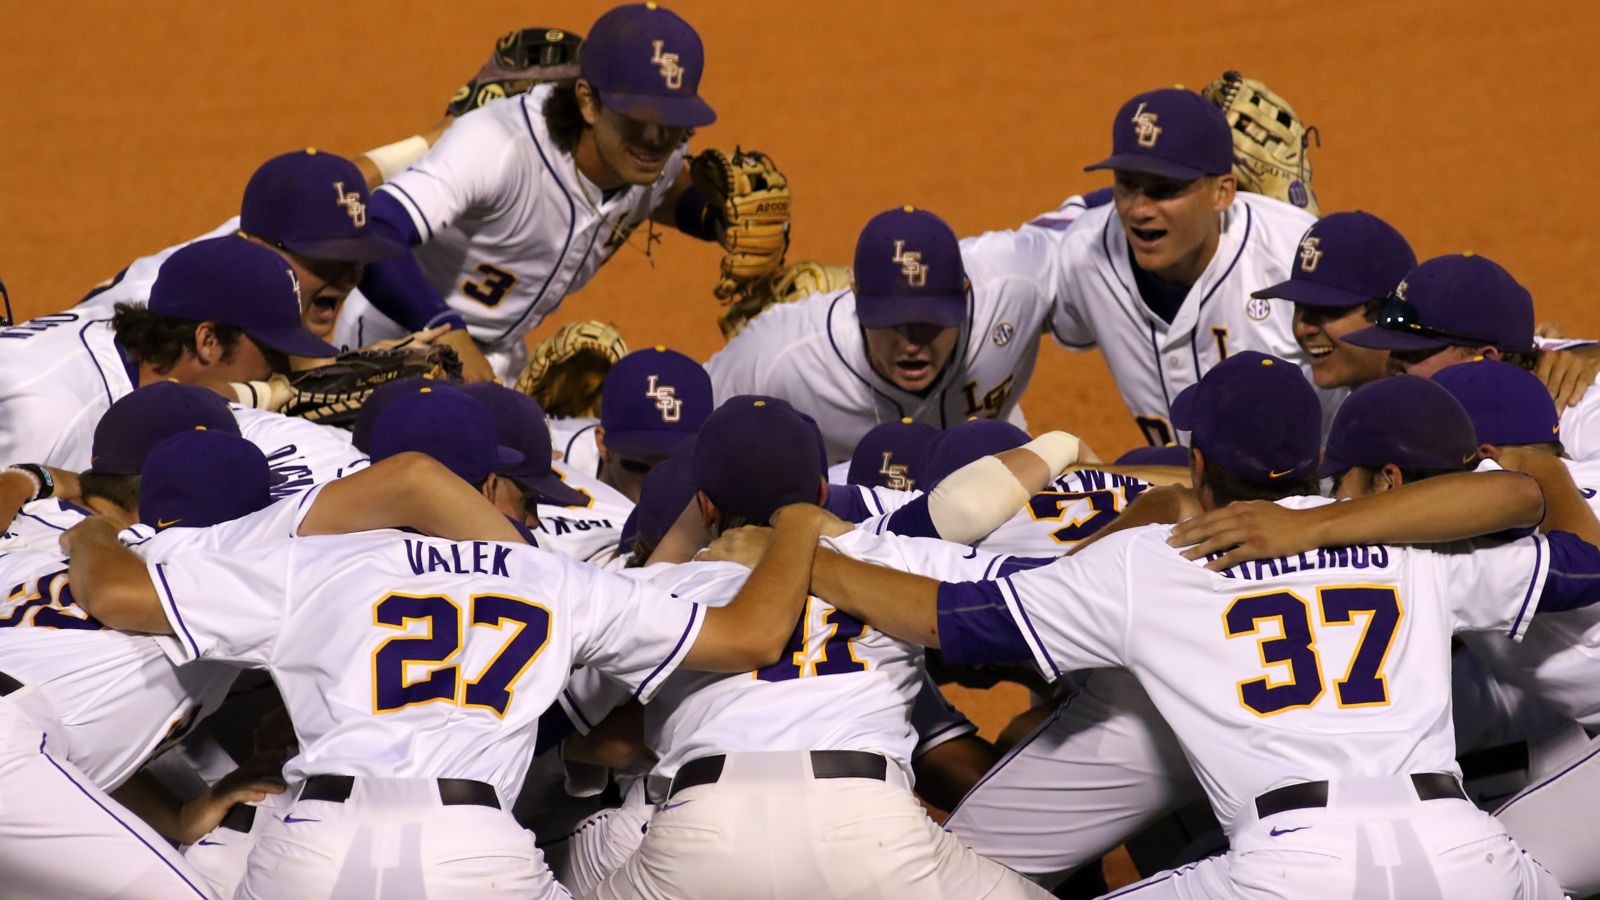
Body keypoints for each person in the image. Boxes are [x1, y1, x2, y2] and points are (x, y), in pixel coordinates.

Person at [808, 351, 1596, 898]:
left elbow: (959, 622)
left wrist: (811, 561)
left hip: (1289, 867)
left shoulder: (1156, 559)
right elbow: (1574, 558)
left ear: (1199, 462)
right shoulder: (1407, 546)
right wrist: (1534, 466)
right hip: (1468, 855)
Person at [60, 423, 831, 899]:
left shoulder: (312, 566)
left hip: (315, 846)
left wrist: (85, 529)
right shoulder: (557, 578)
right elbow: (752, 636)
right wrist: (796, 523)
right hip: (473, 854)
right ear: (491, 487)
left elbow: (117, 596)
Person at [335, 3, 733, 383]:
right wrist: (445, 330)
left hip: (500, 356)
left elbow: (666, 191)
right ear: (588, 102)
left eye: (672, 120)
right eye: (637, 118)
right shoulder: (498, 146)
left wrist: (718, 221)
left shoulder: (650, 156)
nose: (655, 138)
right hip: (397, 336)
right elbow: (373, 230)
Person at [1046, 87, 1329, 445]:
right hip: (1192, 492)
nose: (1139, 209)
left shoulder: (1293, 257)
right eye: (1127, 184)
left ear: (1222, 192)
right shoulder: (1085, 255)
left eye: (1165, 189)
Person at [706, 205, 1072, 461]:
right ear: (855, 297)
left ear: (965, 294)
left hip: (996, 485)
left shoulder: (1013, 284)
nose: (912, 343)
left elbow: (1084, 226)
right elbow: (686, 423)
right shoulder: (782, 354)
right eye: (891, 322)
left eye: (931, 322)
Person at [0, 235, 340, 472]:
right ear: (208, 340)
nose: (284, 368)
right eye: (272, 352)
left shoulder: (133, 313)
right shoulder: (56, 420)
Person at [74, 148, 418, 349]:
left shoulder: (263, 230)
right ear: (263, 249)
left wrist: (445, 132)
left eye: (353, 258)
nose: (345, 276)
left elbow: (341, 185)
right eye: (326, 259)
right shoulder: (179, 320)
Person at [1344, 253, 1600, 458]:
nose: (1390, 368)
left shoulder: (1581, 415)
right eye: (1392, 349)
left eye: (1413, 353)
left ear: (1486, 359)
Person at [1249, 210, 1417, 393]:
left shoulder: (1434, 415)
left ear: (1391, 315)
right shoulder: (1311, 398)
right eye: (1298, 307)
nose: (1302, 329)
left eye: (1327, 310)